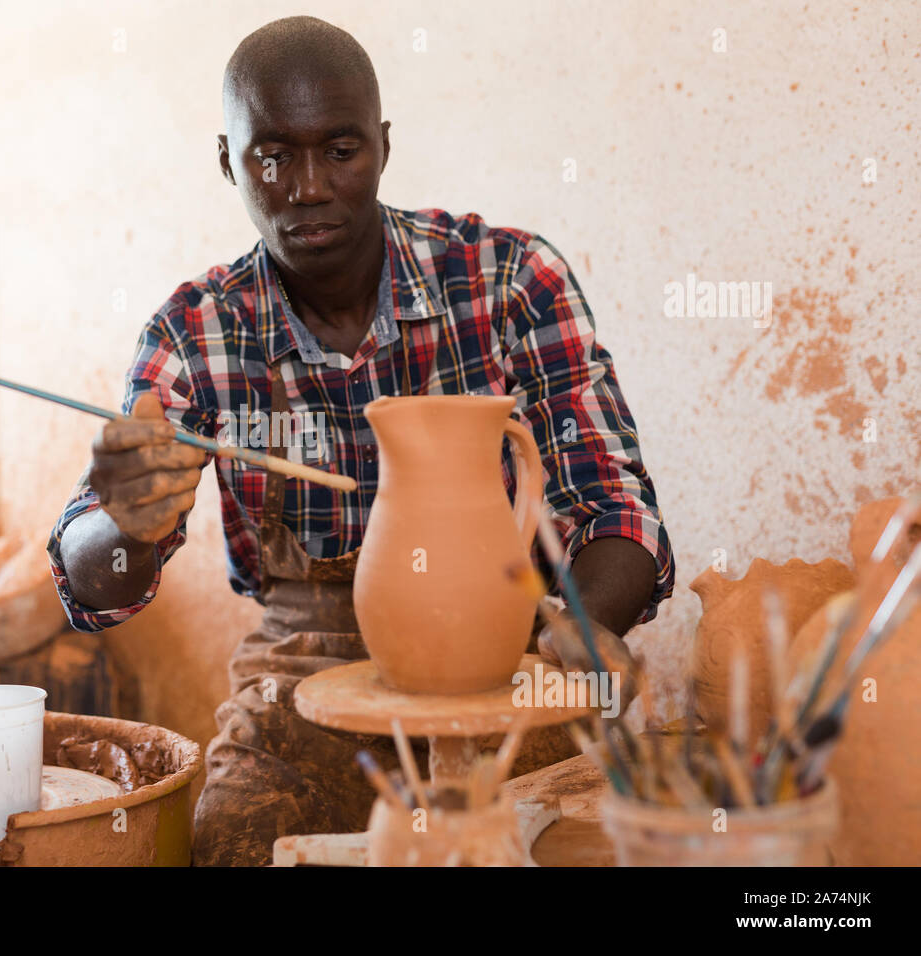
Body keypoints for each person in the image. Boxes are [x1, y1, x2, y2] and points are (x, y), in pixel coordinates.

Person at [48, 16, 675, 866]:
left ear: (381, 147)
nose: (308, 187)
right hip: (300, 668)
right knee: (235, 847)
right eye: (273, 156)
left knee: (564, 844)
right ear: (229, 160)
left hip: (506, 648)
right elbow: (98, 586)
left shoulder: (508, 280)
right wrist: (125, 521)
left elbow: (618, 508)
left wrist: (586, 625)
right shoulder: (197, 332)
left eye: (339, 150)